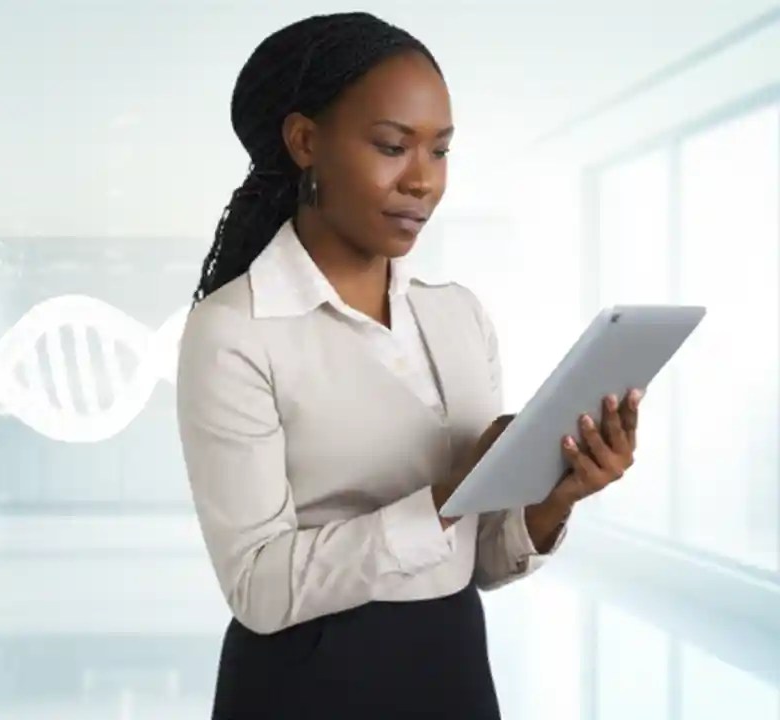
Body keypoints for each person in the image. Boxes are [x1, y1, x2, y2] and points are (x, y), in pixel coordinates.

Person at [175, 12, 643, 719]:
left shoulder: (458, 316)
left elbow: (479, 559)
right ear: (305, 141)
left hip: (452, 666)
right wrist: (447, 496)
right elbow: (258, 588)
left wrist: (558, 494)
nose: (422, 181)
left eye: (441, 151)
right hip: (305, 684)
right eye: (393, 146)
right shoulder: (235, 330)